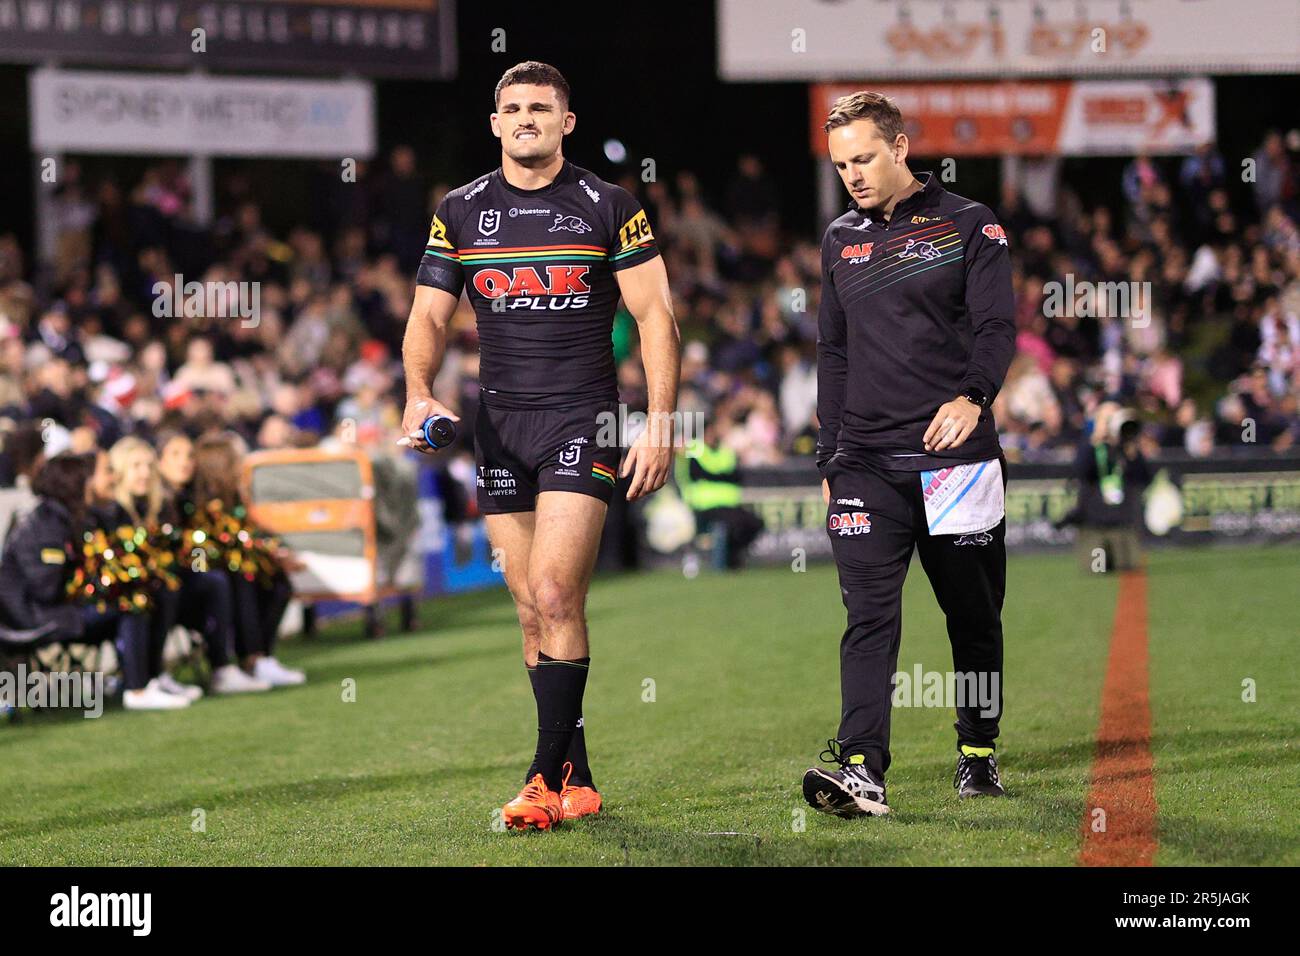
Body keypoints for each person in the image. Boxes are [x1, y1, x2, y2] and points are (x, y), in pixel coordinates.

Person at [401, 61, 680, 829]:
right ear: (495, 124)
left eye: (541, 108)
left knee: (558, 594)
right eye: (512, 108)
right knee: (530, 611)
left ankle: (538, 781)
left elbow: (656, 317)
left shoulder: (609, 206)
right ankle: (578, 776)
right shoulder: (459, 210)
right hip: (498, 427)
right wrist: (418, 391)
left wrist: (660, 422)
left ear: (567, 122)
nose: (526, 118)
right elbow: (427, 318)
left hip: (581, 419)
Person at [806, 91, 1016, 817]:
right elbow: (833, 352)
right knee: (868, 617)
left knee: (972, 613)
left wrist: (973, 397)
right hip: (865, 463)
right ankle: (863, 769)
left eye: (863, 157)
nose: (853, 174)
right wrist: (830, 460)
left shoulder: (969, 224)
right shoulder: (838, 239)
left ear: (900, 146)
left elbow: (997, 327)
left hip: (955, 460)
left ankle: (978, 751)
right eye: (840, 164)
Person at [0, 453, 182, 710]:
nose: (108, 479)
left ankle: (152, 679)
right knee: (132, 604)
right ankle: (137, 690)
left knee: (151, 592)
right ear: (74, 484)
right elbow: (46, 588)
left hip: (55, 609)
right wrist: (96, 583)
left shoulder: (75, 517)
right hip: (35, 617)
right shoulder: (43, 523)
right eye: (95, 476)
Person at [155, 431, 270, 694]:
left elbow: (201, 547)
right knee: (217, 580)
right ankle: (223, 665)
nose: (185, 462)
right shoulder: (158, 500)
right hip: (166, 584)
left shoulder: (193, 496)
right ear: (160, 462)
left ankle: (256, 659)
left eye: (189, 455)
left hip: (189, 580)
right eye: (175, 455)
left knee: (243, 573)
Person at [188, 433, 304, 688]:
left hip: (236, 564)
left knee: (278, 581)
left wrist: (277, 551)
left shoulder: (234, 495)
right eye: (237, 459)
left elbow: (249, 532)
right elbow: (212, 544)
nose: (243, 464)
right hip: (207, 569)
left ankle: (263, 656)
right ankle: (250, 658)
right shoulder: (198, 499)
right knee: (243, 576)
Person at [673, 420, 764, 569]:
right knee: (735, 524)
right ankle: (726, 560)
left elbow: (732, 472)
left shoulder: (724, 450)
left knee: (754, 523)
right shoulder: (692, 451)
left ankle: (734, 556)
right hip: (705, 504)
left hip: (728, 504)